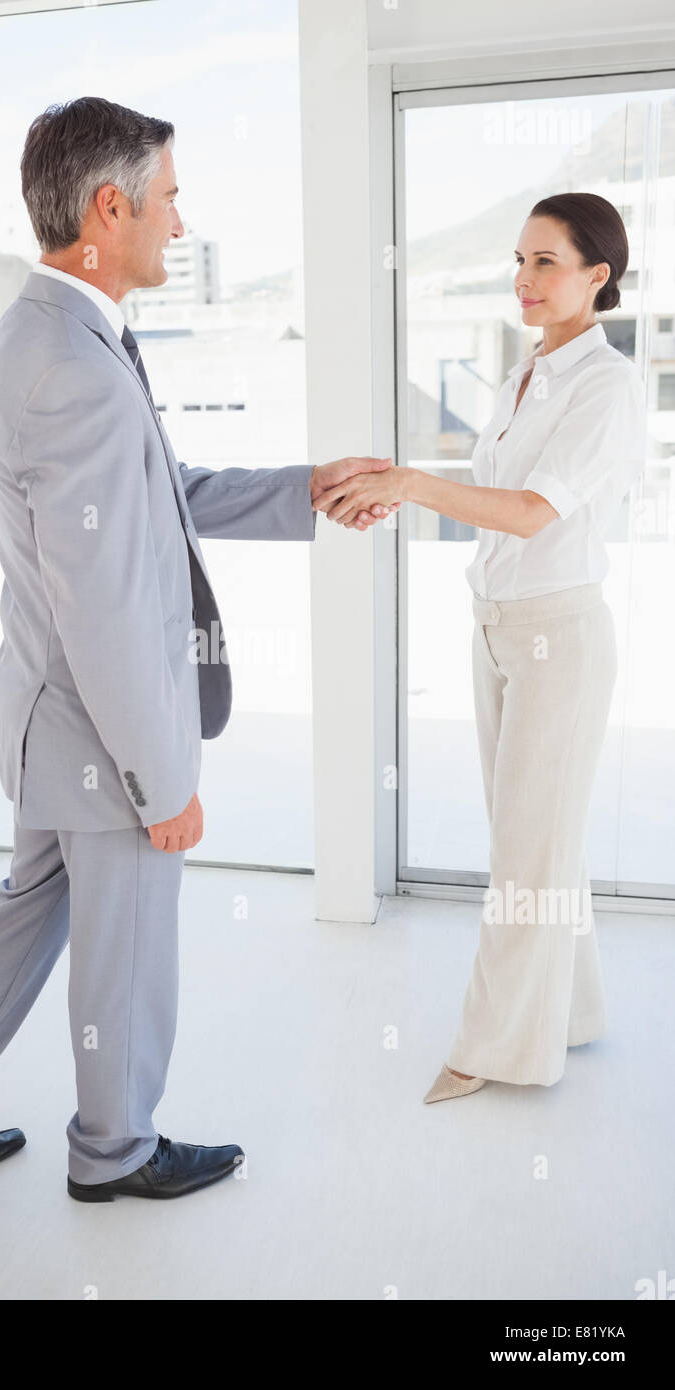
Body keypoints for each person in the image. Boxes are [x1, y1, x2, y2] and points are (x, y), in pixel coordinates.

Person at [0, 96, 393, 1199]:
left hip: (50, 717)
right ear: (112, 206)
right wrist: (160, 785)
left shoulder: (52, 334)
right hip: (103, 735)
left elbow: (163, 496)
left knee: (28, 915)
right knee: (127, 949)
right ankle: (114, 1153)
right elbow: (102, 602)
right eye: (171, 201)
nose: (180, 226)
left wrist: (305, 490)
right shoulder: (73, 364)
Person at [314, 192, 647, 1102]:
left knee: (526, 857)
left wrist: (415, 484)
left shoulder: (606, 385)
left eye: (546, 262)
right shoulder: (524, 375)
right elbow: (498, 492)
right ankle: (568, 1014)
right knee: (536, 843)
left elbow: (536, 515)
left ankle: (494, 1049)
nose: (524, 279)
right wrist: (401, 485)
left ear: (596, 276)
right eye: (520, 259)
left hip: (559, 638)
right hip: (495, 628)